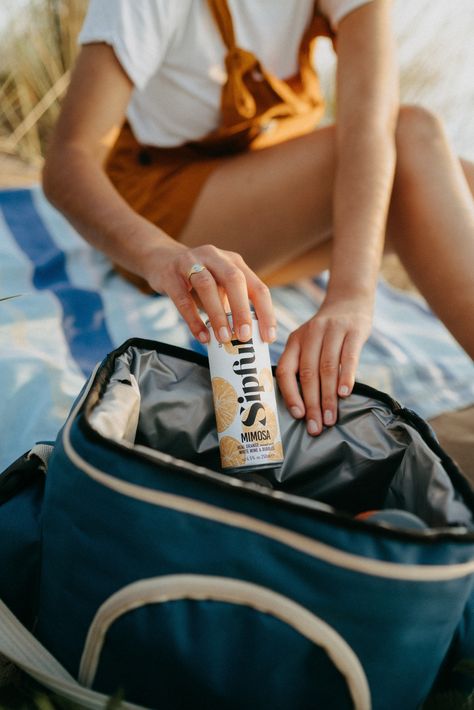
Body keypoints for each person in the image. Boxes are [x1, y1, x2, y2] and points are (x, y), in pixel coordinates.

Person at [42, 0, 474, 438]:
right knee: (415, 138)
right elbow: (67, 161)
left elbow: (371, 124)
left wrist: (351, 296)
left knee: (454, 177)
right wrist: (160, 254)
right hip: (161, 219)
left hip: (258, 203)